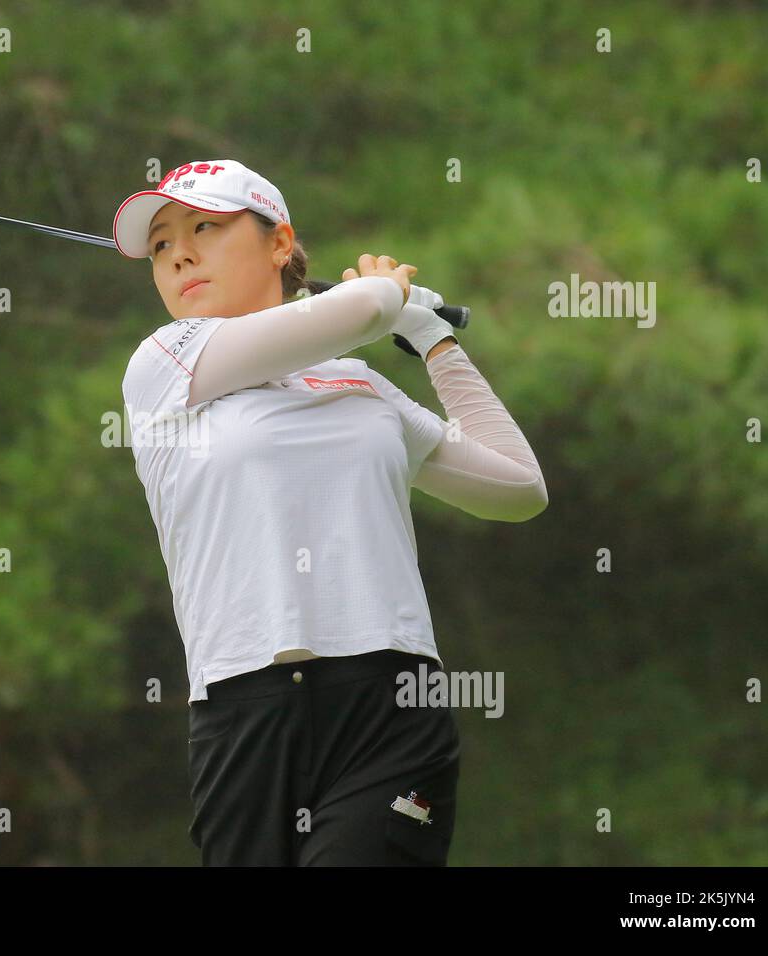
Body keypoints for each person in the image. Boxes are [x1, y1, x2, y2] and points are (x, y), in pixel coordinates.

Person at [114, 160, 547, 866]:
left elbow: (520, 487)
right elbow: (364, 311)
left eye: (205, 228)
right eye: (161, 246)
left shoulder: (360, 385)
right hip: (242, 711)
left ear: (280, 243)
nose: (180, 253)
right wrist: (388, 299)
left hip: (390, 707)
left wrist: (435, 340)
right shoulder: (164, 365)